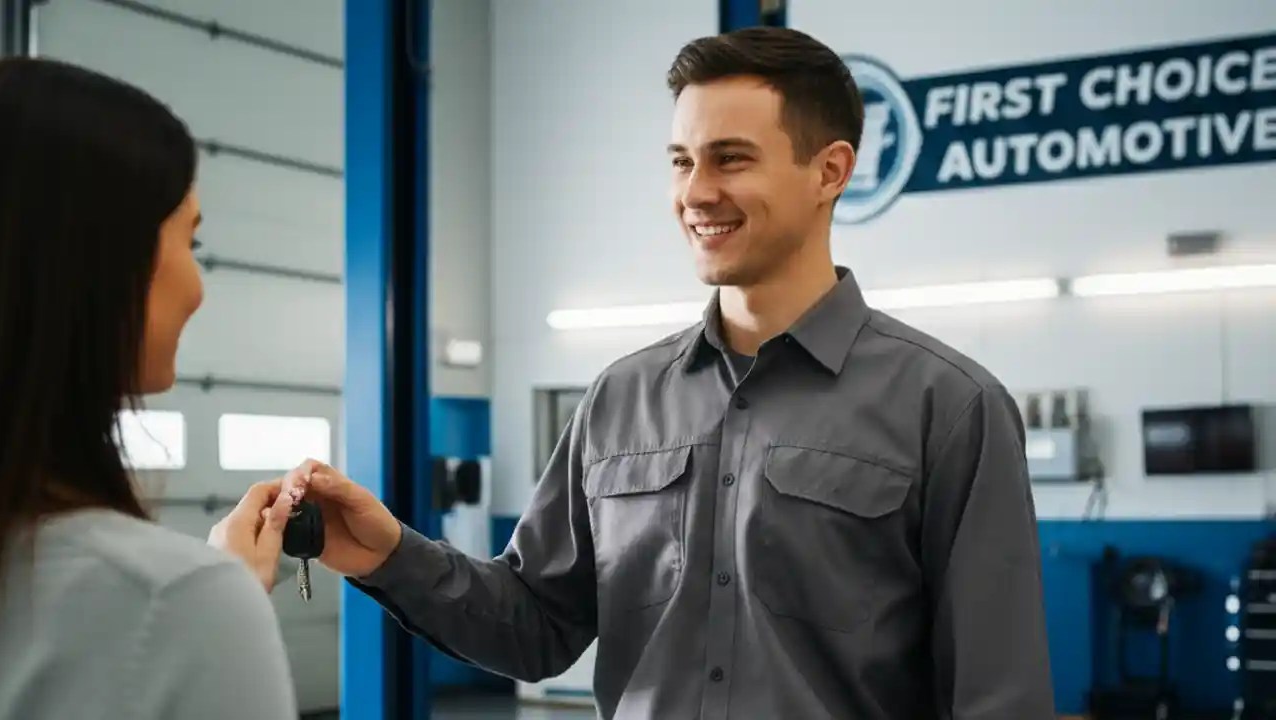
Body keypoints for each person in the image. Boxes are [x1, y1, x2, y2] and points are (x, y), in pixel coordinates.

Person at [282, 27, 1055, 719]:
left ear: (830, 171)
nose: (695, 193)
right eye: (682, 161)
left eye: (731, 159)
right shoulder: (620, 400)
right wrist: (387, 553)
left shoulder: (949, 409)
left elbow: (997, 698)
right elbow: (535, 626)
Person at [0, 57, 298, 720]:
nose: (198, 288)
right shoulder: (176, 604)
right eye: (191, 242)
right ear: (99, 262)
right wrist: (211, 604)